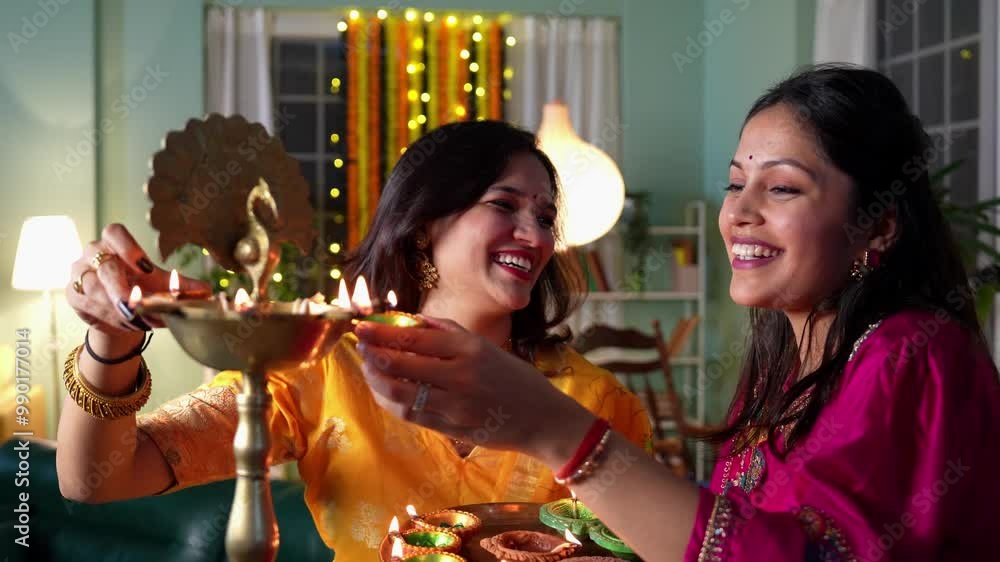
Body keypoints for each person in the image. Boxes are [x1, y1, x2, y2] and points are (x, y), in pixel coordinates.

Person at [354, 64, 1000, 561]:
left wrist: (558, 432)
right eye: (734, 183)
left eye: (780, 187)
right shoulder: (783, 368)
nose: (739, 211)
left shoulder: (913, 353)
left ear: (878, 226)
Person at [57, 121, 653, 561]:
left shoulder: (595, 401)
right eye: (504, 205)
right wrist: (110, 341)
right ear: (424, 226)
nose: (535, 235)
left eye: (546, 217)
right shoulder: (321, 361)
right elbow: (97, 478)